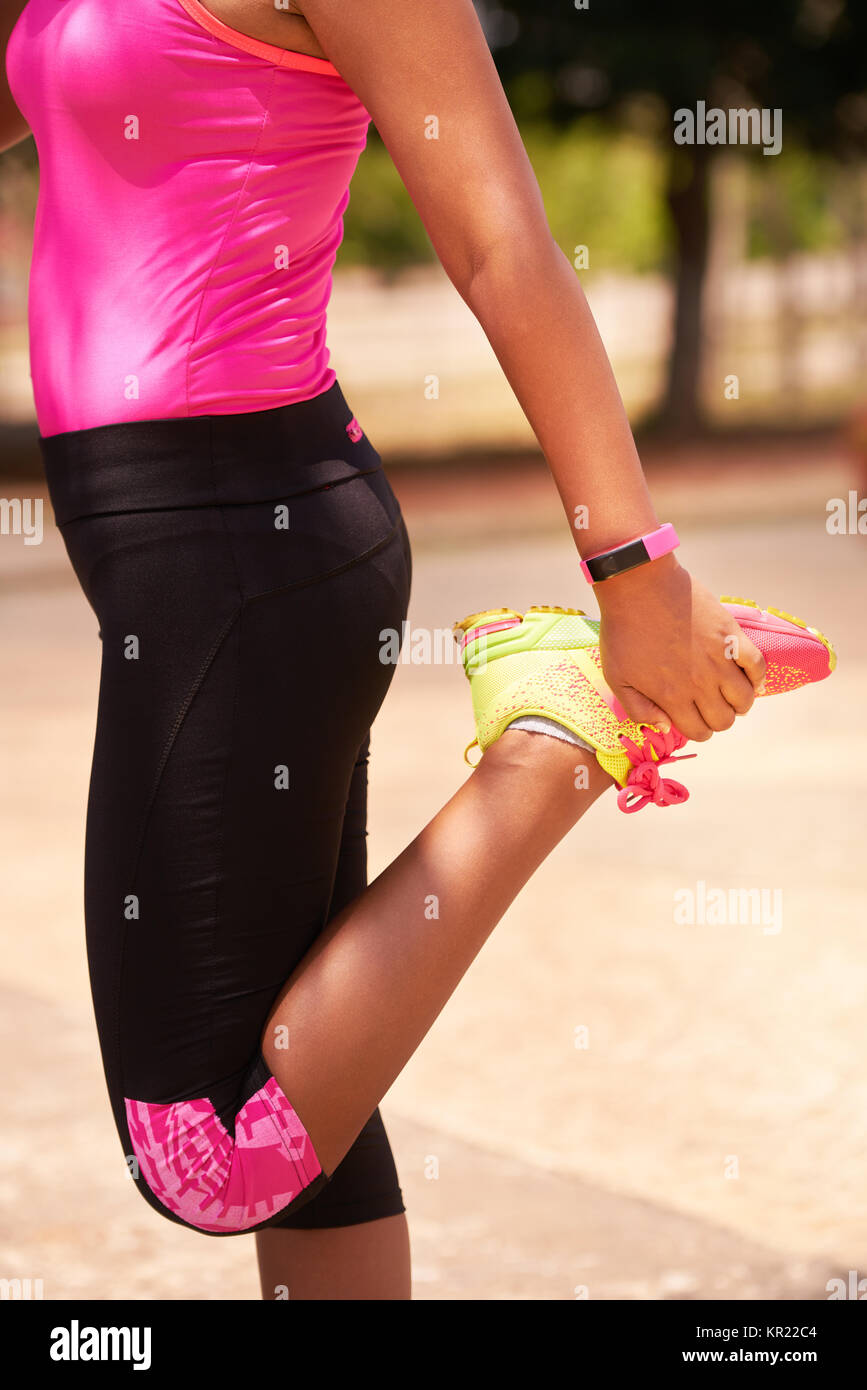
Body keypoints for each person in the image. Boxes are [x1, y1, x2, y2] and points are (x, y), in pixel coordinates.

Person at [1, 0, 832, 1300]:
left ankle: (562, 733)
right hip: (204, 549)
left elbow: (501, 240)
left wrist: (630, 562)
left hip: (245, 554)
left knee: (207, 1148)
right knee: (314, 1066)